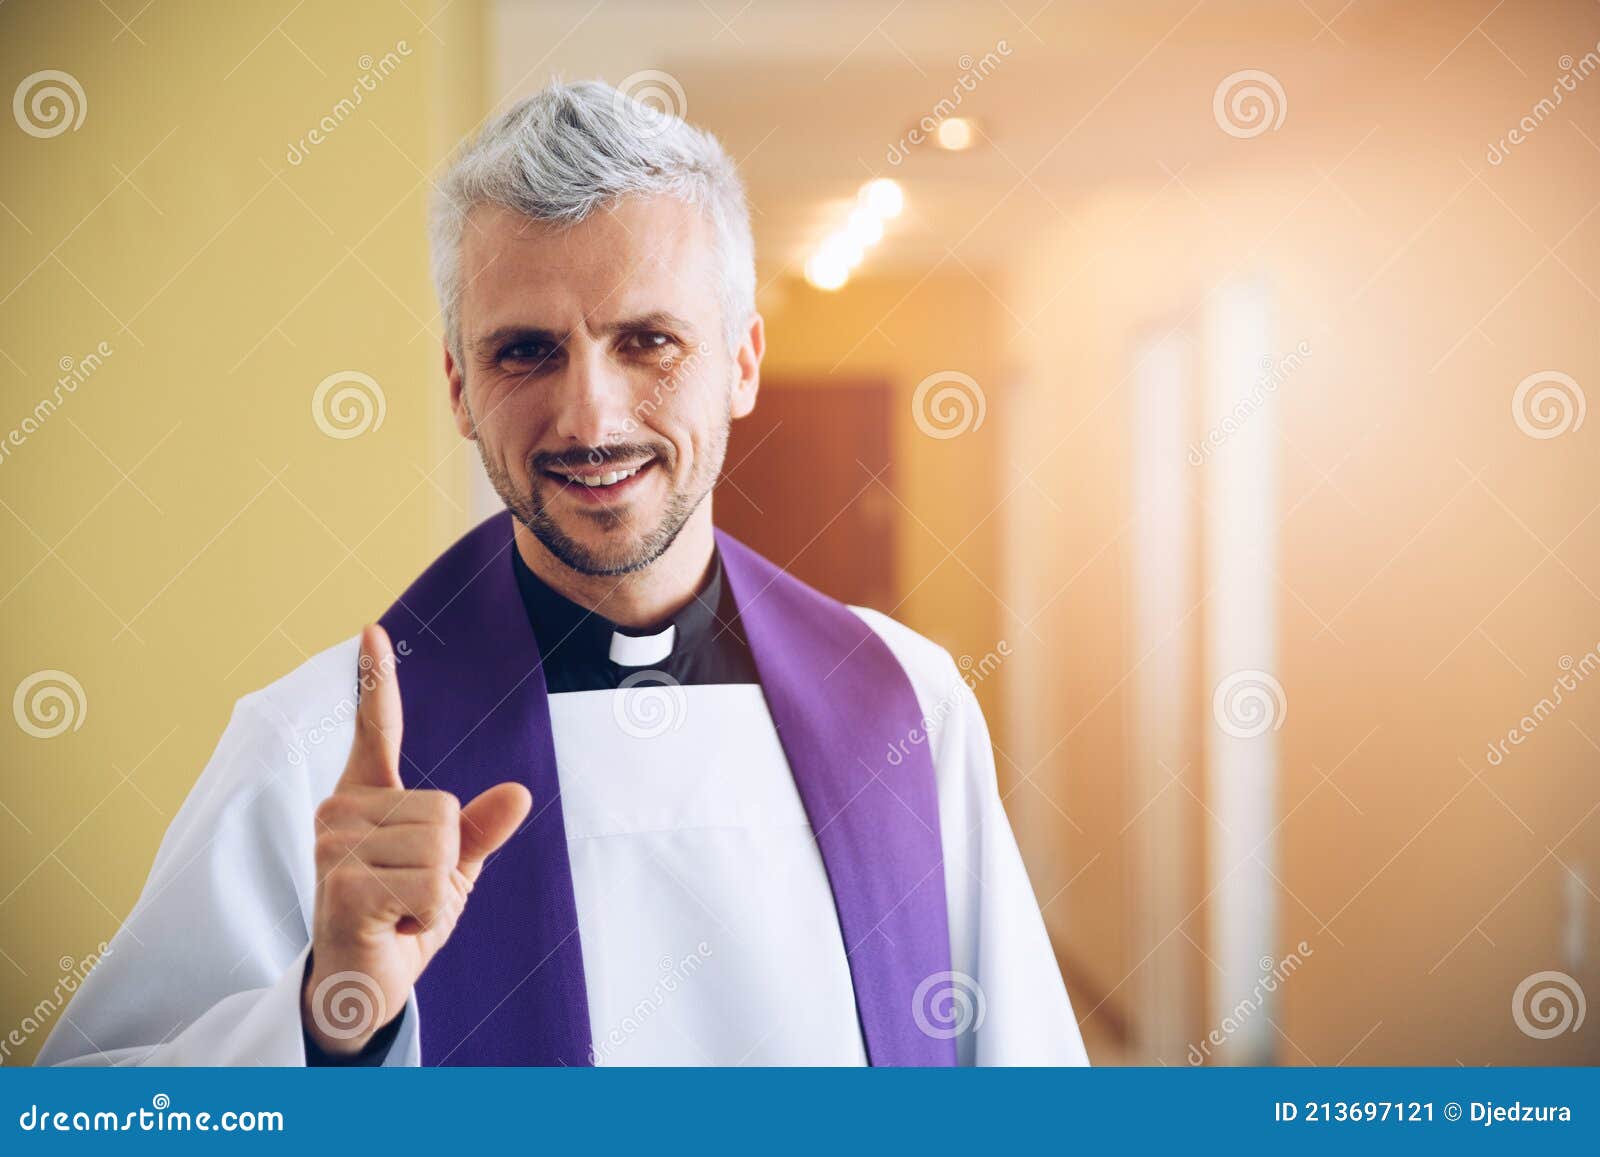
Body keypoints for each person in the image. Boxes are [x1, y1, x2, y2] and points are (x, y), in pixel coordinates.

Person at [38, 80, 1087, 1067]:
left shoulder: (904, 704)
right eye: (525, 351)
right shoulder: (312, 751)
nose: (589, 416)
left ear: (742, 362)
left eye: (648, 340)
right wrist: (326, 1016)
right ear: (458, 387)